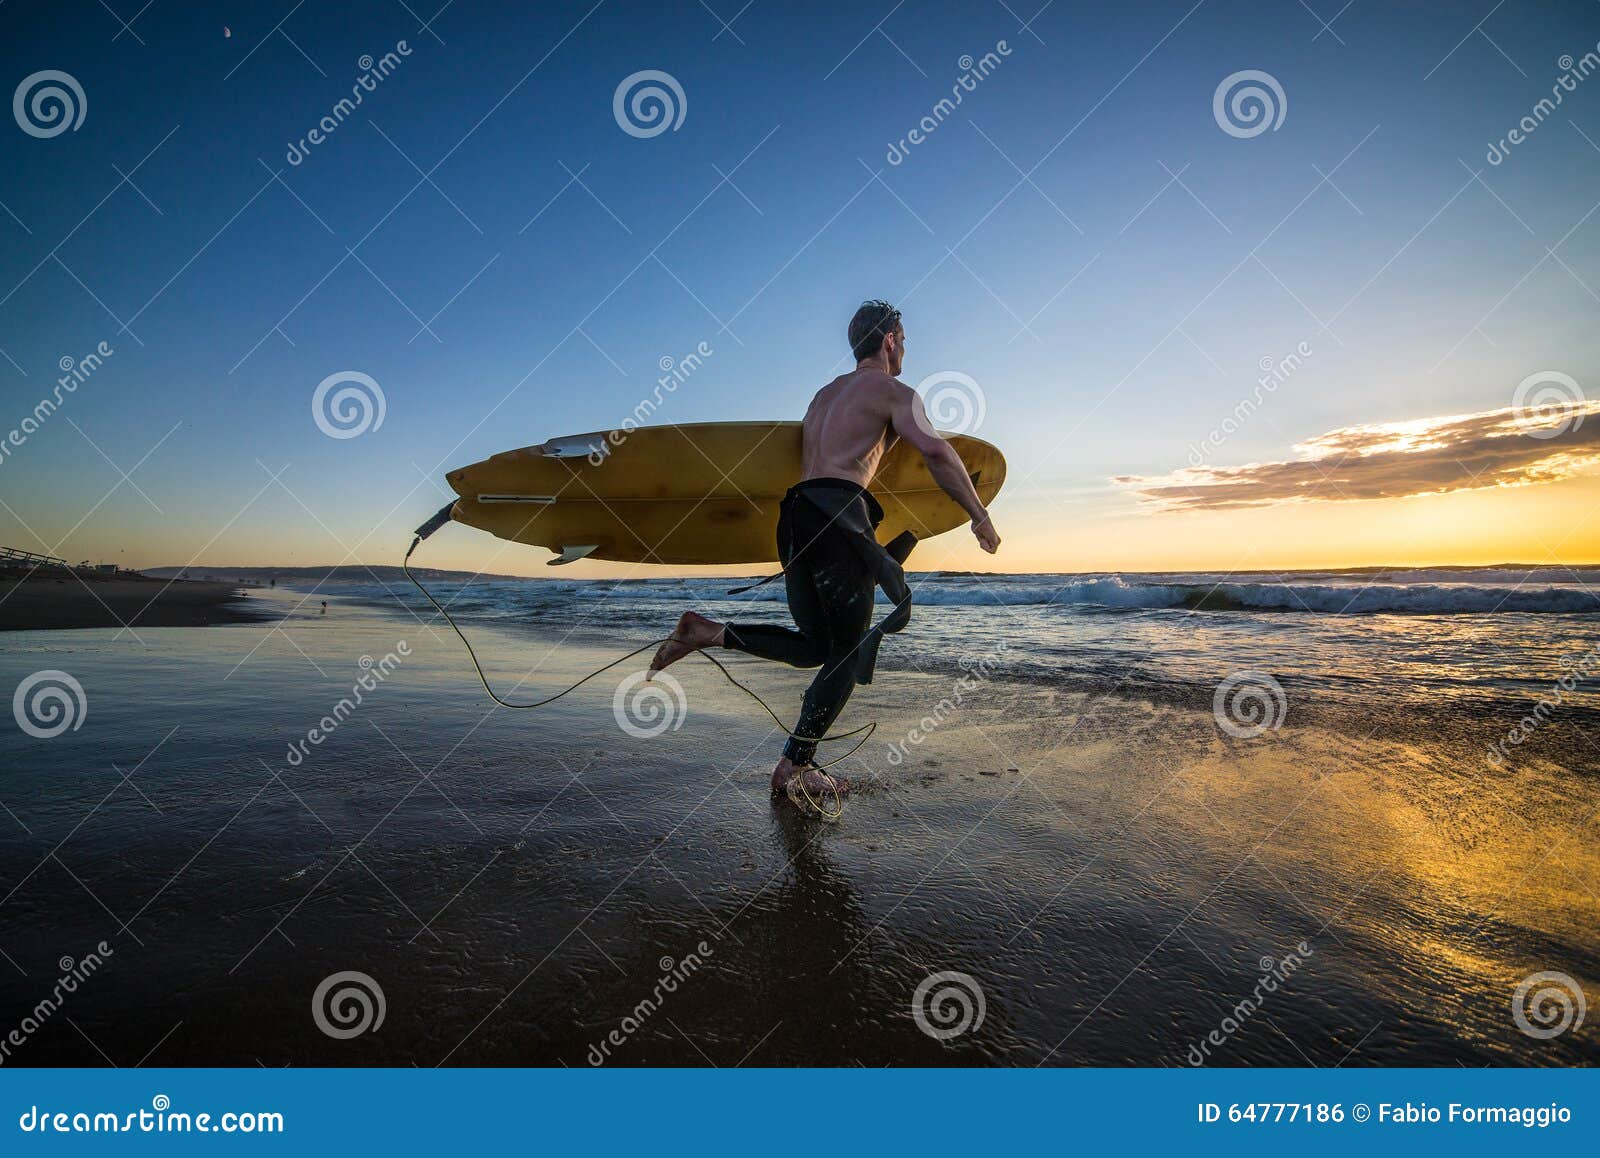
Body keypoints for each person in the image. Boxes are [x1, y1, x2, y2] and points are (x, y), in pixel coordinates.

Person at [648, 301, 1000, 806]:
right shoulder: (893, 391)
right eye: (905, 340)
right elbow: (937, 452)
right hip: (840, 514)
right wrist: (978, 513)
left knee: (817, 645)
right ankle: (795, 766)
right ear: (891, 341)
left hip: (795, 515)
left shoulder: (822, 397)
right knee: (847, 650)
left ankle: (707, 632)